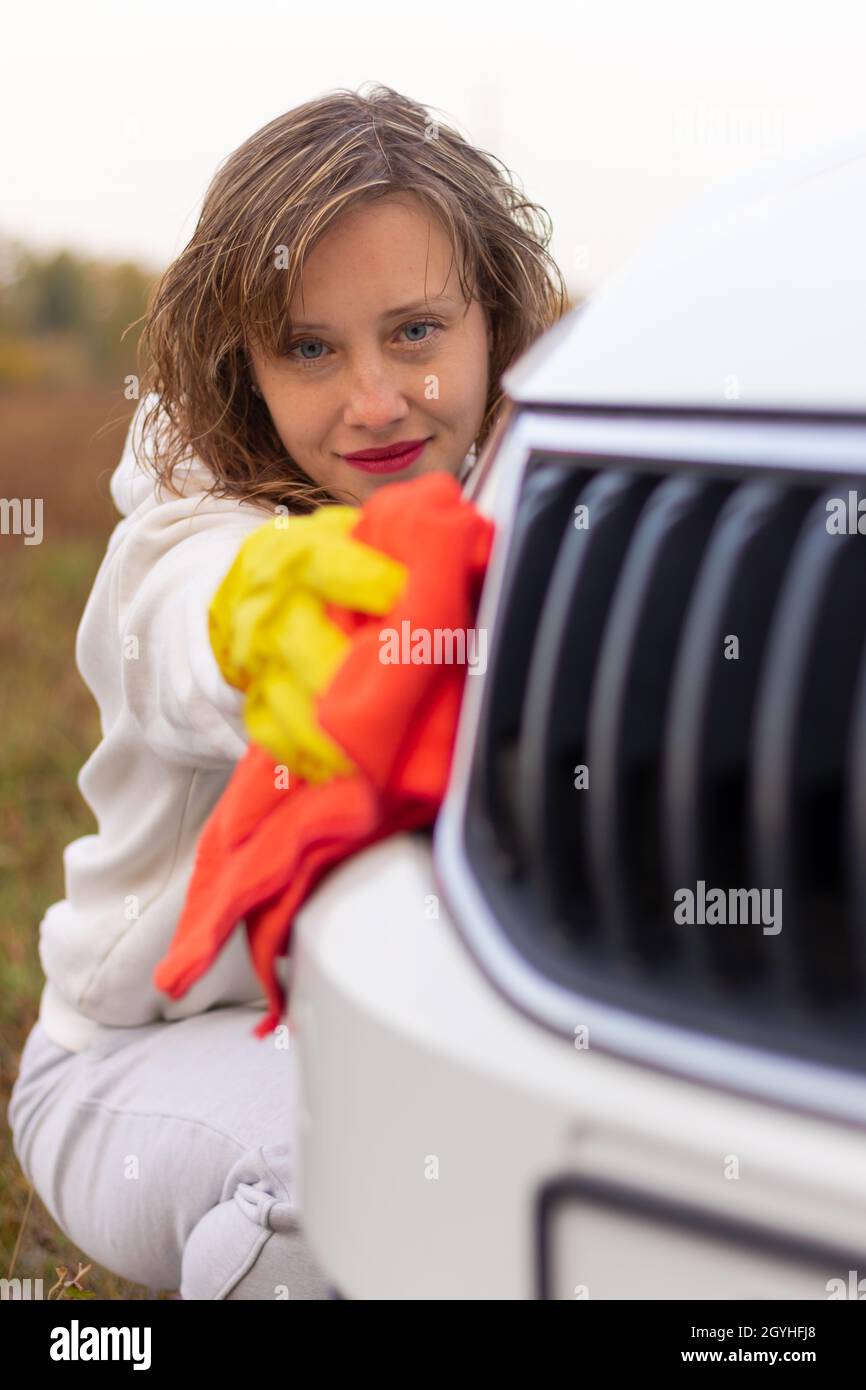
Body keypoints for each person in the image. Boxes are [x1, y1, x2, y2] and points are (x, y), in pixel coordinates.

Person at [7, 81, 567, 1300]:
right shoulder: (190, 531)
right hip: (144, 1063)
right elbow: (190, 628)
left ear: (494, 320)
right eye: (309, 348)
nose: (372, 400)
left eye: (414, 331)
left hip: (436, 1043)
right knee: (349, 1188)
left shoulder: (532, 514)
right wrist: (291, 615)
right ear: (242, 366)